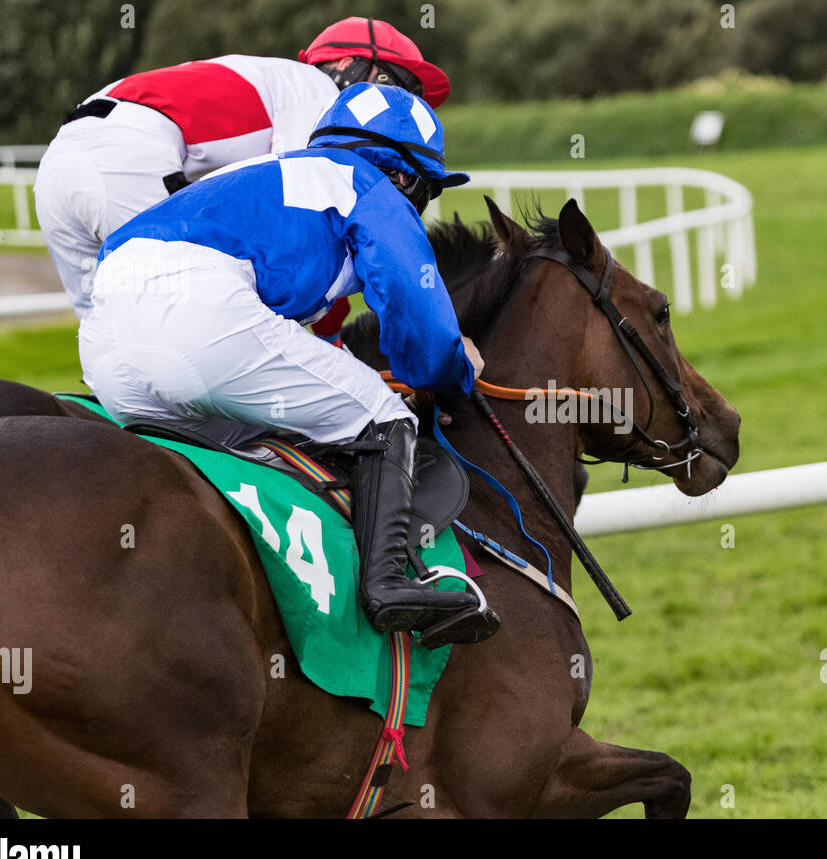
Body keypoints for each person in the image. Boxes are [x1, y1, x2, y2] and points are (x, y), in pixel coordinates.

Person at [78, 83, 492, 647]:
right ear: (404, 177)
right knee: (384, 416)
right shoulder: (371, 186)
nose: (421, 208)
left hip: (106, 340)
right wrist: (452, 370)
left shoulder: (268, 171)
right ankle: (387, 586)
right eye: (426, 192)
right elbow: (411, 305)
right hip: (200, 320)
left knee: (264, 453)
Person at [34, 17, 449, 322]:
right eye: (400, 85)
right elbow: (316, 223)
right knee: (204, 328)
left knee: (110, 340)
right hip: (128, 161)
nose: (404, 104)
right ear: (350, 67)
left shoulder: (276, 81)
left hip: (58, 169)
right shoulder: (317, 94)